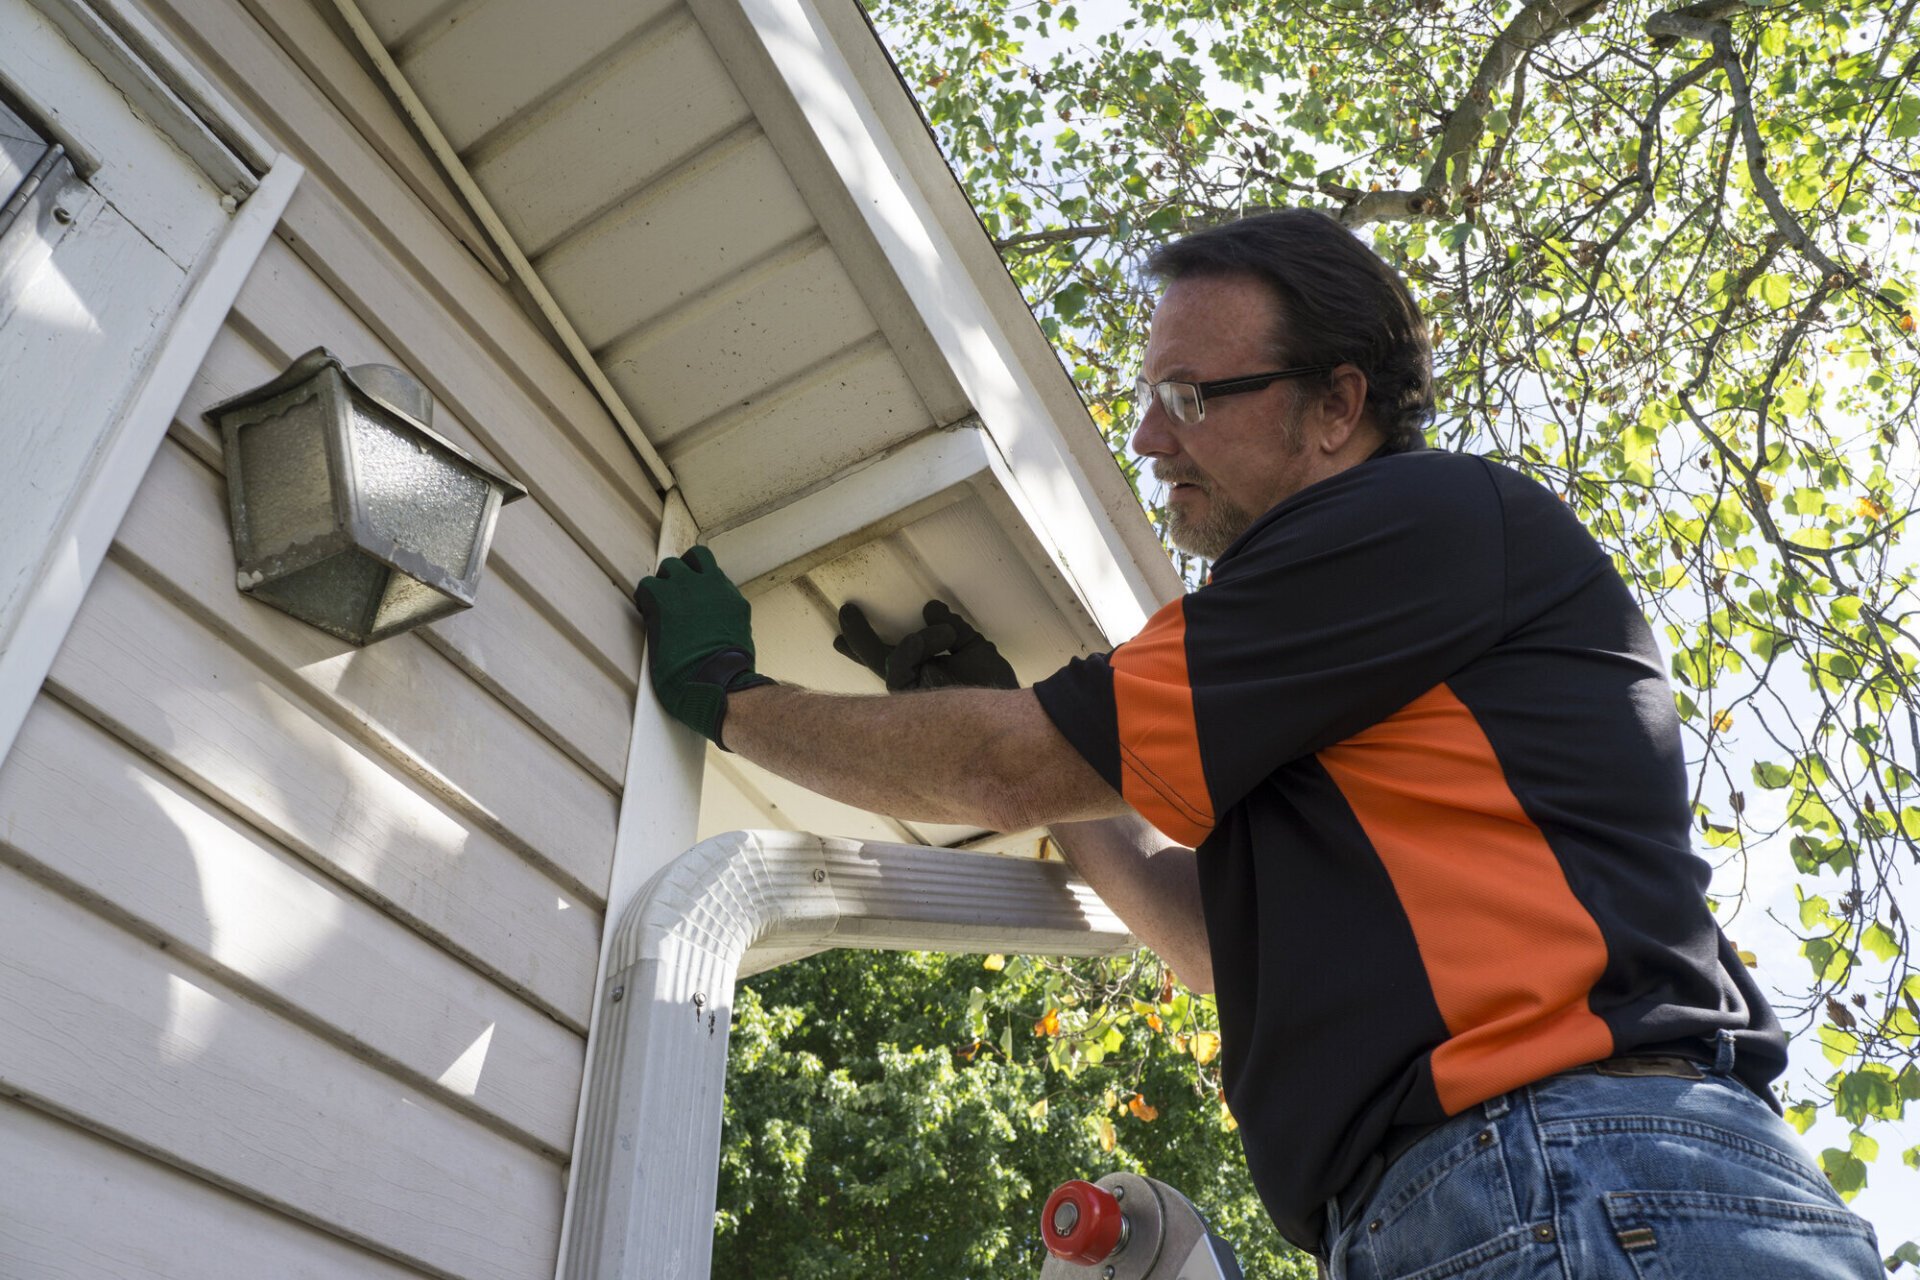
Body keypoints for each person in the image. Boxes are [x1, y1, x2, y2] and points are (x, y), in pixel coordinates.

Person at [633, 210, 1884, 1278]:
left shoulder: (1417, 521)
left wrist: (731, 696)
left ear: (1338, 405)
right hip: (1551, 1187)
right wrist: (1058, 764)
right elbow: (1208, 947)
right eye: (1145, 398)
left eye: (1190, 397)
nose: (1149, 439)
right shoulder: (1345, 689)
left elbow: (1005, 763)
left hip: (1570, 1168)